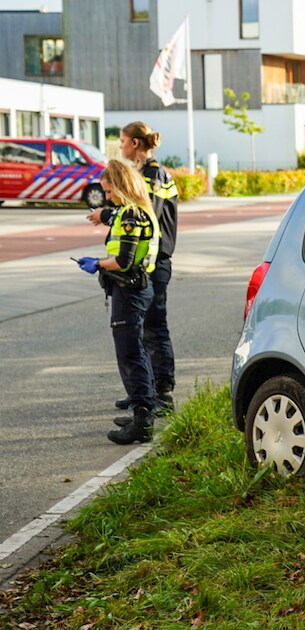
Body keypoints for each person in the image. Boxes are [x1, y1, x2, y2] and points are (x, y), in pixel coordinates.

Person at [88, 122, 178, 413]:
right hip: (147, 261)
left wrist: (106, 214)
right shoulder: (149, 172)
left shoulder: (153, 174)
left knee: (153, 328)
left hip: (153, 263)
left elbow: (142, 212)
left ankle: (160, 392)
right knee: (139, 332)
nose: (121, 146)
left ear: (136, 144)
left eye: (123, 140)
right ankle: (143, 390)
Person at [76, 160, 161, 444]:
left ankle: (142, 422)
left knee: (130, 354)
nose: (107, 197)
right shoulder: (132, 212)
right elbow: (116, 221)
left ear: (122, 188)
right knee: (135, 351)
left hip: (131, 290)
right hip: (135, 290)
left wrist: (97, 264)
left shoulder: (132, 216)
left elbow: (123, 261)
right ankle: (143, 410)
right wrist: (105, 216)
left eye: (110, 192)